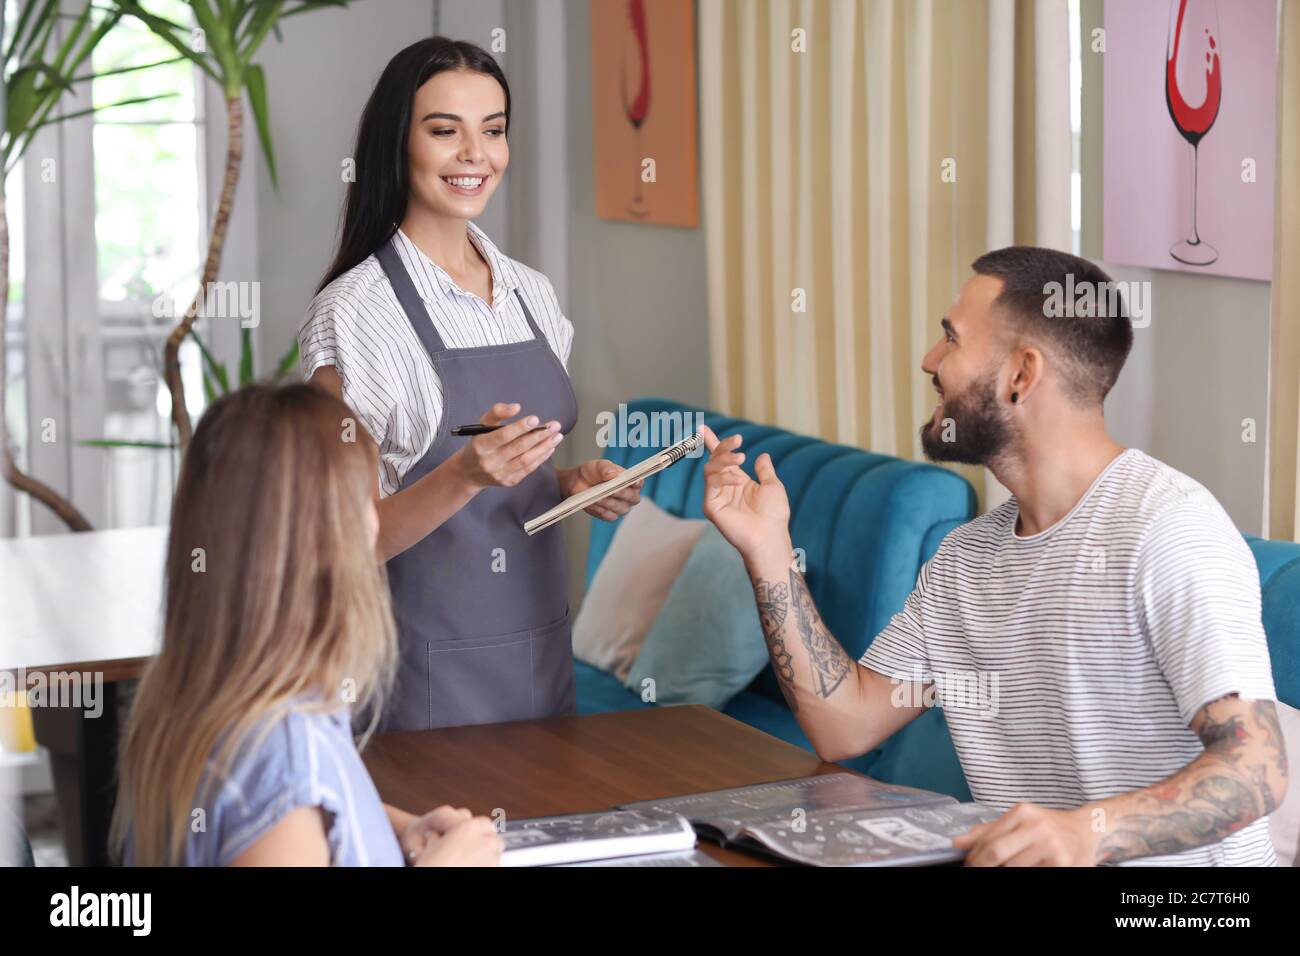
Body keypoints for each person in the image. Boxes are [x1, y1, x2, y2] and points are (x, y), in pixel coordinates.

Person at [699, 246, 1287, 866]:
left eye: (950, 339)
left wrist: (1082, 833)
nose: (930, 361)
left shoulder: (1168, 529)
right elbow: (844, 722)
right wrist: (769, 554)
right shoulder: (967, 559)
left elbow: (1257, 770)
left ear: (1021, 375)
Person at [300, 37, 641, 731]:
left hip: (541, 658)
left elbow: (512, 481)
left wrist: (571, 483)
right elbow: (346, 543)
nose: (474, 155)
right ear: (399, 143)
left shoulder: (531, 294)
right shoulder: (354, 314)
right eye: (444, 131)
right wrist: (464, 474)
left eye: (492, 131)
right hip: (422, 678)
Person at [113, 384, 501, 866]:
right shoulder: (287, 756)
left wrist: (393, 827)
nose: (376, 522)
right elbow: (284, 797)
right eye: (364, 498)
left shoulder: (198, 706)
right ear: (320, 544)